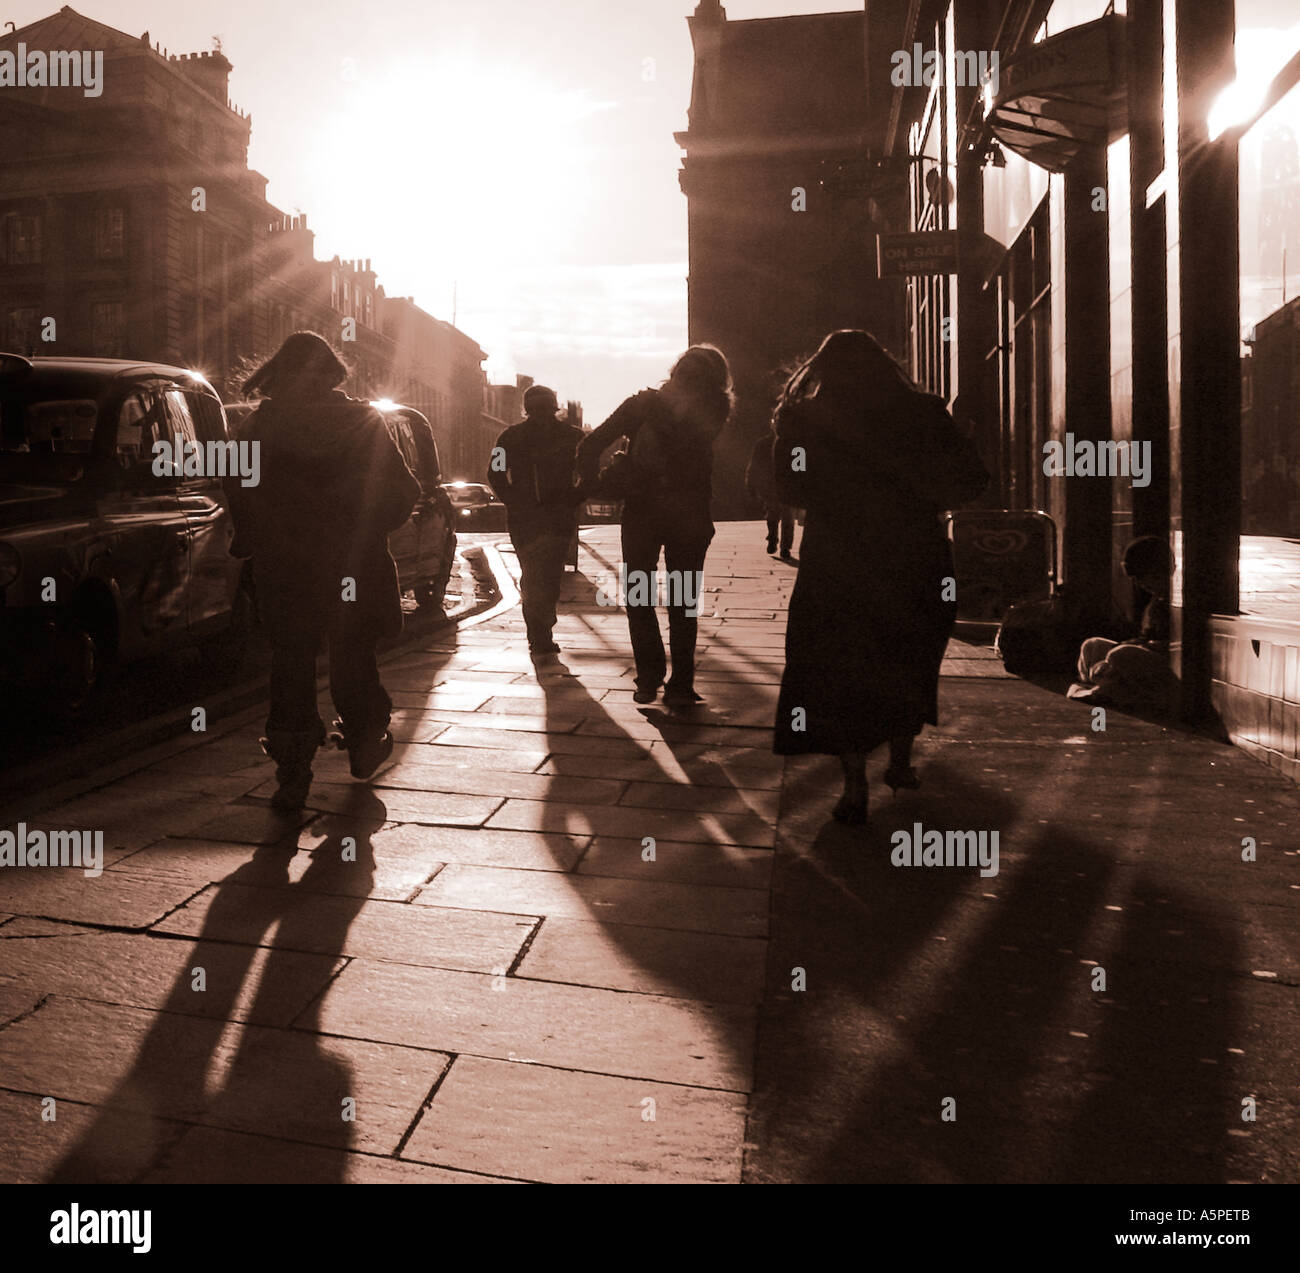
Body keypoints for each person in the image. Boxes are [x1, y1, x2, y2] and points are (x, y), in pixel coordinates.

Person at [771, 330, 989, 823]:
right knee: (907, 655)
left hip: (837, 558)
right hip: (913, 554)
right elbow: (972, 480)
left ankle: (853, 785)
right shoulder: (926, 413)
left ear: (823, 370)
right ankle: (900, 761)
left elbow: (790, 485)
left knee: (838, 666)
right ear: (884, 365)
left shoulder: (804, 420)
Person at [231, 332, 420, 810]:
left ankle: (292, 768)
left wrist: (256, 540)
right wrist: (367, 528)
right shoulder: (363, 422)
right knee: (352, 653)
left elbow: (239, 489)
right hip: (350, 563)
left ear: (278, 372)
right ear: (334, 373)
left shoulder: (259, 426)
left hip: (284, 566)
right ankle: (362, 740)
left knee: (291, 662)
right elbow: (401, 490)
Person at [577, 345, 732, 708]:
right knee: (683, 601)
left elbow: (590, 443)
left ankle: (649, 678)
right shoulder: (716, 406)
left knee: (639, 594)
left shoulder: (643, 404)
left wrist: (592, 484)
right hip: (689, 514)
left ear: (675, 372)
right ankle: (680, 683)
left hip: (643, 510)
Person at [486, 385, 585, 657]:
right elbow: (494, 472)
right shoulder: (510, 437)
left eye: (545, 410)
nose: (542, 416)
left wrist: (572, 498)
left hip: (547, 518)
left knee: (546, 577)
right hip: (533, 519)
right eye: (538, 410)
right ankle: (539, 635)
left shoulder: (571, 437)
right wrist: (515, 500)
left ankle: (541, 631)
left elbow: (588, 471)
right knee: (536, 576)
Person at [1069, 535, 1176, 709]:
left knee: (1119, 655)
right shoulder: (1156, 602)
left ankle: (1109, 688)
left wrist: (1122, 651)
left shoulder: (1178, 603)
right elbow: (1144, 638)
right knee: (1093, 645)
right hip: (1148, 653)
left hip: (1168, 667)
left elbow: (1172, 648)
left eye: (1143, 577)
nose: (1140, 584)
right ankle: (1107, 686)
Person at [745, 428, 797, 558]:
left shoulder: (763, 443)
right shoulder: (794, 443)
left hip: (777, 485)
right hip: (778, 485)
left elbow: (754, 466)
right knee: (785, 516)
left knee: (778, 514)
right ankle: (780, 543)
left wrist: (751, 483)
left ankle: (778, 542)